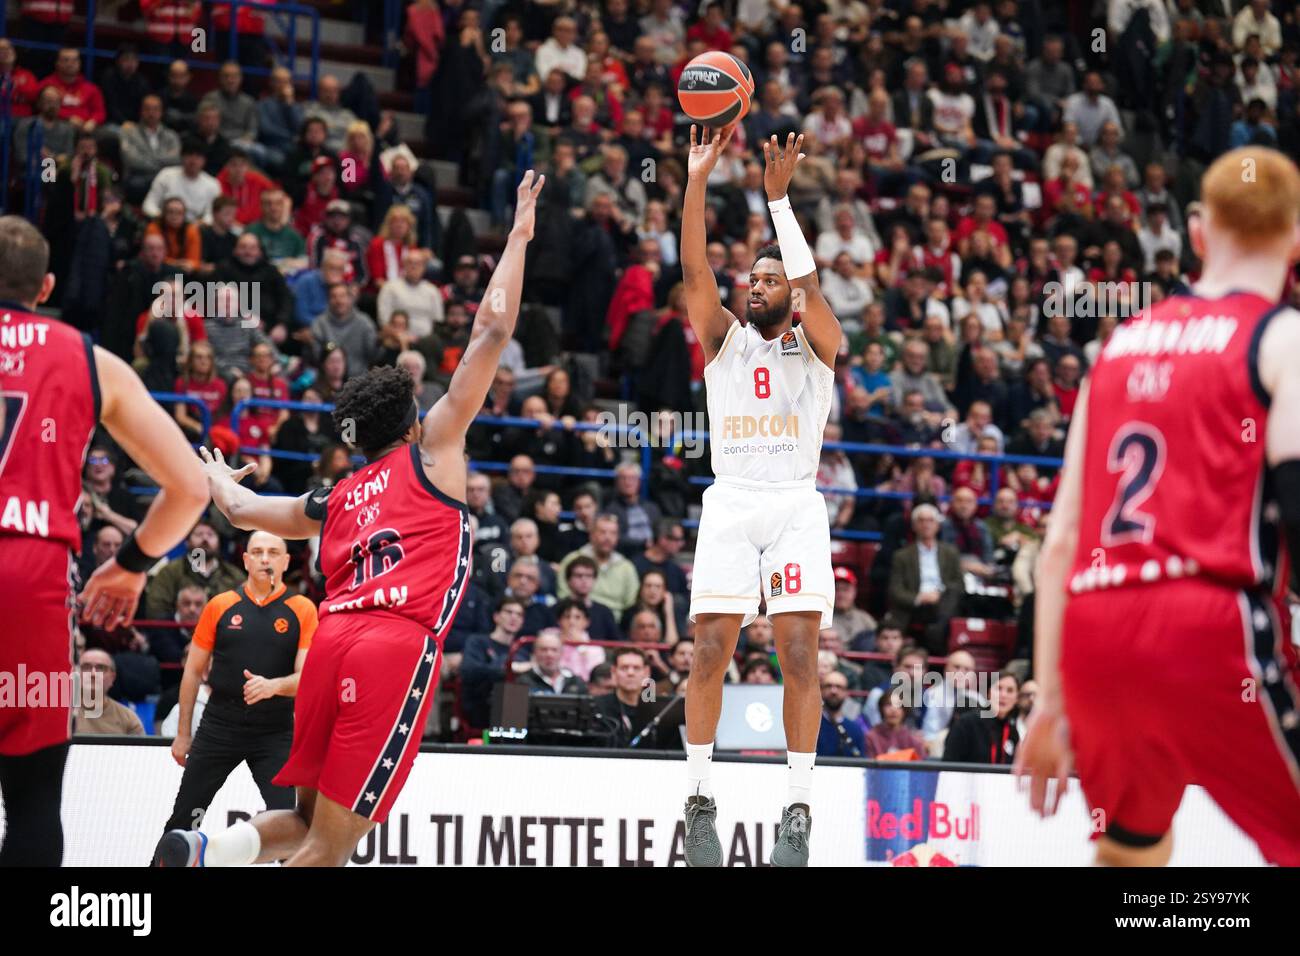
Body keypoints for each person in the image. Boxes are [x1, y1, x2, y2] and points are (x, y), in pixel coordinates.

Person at [155, 170, 546, 868]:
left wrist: (214, 475)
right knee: (332, 851)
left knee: (305, 825)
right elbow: (491, 328)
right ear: (413, 420)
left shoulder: (337, 494)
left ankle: (206, 850)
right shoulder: (436, 452)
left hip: (330, 639)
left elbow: (242, 510)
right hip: (392, 645)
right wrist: (517, 235)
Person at [1018, 148, 1300, 867]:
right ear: (1296, 240)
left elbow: (1059, 544)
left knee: (1129, 849)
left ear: (1198, 234)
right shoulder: (1283, 338)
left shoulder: (1115, 347)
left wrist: (1048, 703)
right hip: (1209, 626)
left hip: (1095, 631)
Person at [0, 216, 209, 866]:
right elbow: (191, 487)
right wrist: (130, 566)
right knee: (33, 800)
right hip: (32, 577)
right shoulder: (90, 359)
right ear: (48, 286)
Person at [679, 128, 840, 867]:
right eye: (754, 279)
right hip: (733, 501)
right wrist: (697, 179)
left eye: (769, 281)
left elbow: (811, 289)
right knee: (709, 649)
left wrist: (778, 200)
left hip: (795, 505)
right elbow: (692, 269)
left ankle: (799, 808)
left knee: (799, 656)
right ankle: (700, 798)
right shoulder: (725, 341)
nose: (757, 285)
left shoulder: (816, 347)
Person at [154, 532, 315, 860]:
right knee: (185, 817)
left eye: (273, 552)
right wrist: (183, 733)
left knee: (290, 820)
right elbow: (192, 671)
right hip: (219, 725)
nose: (265, 559)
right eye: (257, 552)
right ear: (245, 560)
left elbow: (308, 678)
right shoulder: (221, 605)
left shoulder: (301, 609)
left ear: (286, 562)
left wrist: (273, 686)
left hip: (275, 730)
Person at [72, 650, 146, 736]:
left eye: (101, 668)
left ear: (112, 677)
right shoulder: (59, 712)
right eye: (86, 667)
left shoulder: (128, 718)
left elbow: (139, 749)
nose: (93, 674)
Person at [815, 671, 865, 757]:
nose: (833, 691)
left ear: (846, 693)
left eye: (839, 687)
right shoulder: (810, 727)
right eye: (828, 686)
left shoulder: (855, 730)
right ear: (821, 690)